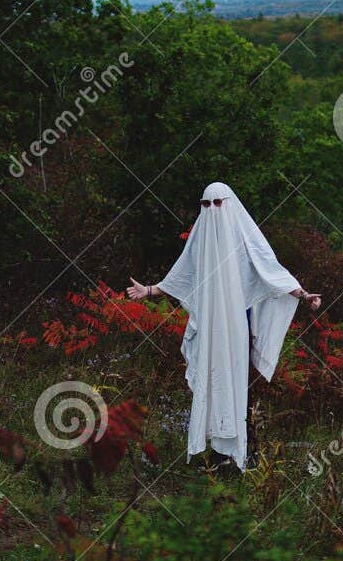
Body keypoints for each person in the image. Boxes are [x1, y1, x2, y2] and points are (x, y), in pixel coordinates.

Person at [127, 182, 321, 470]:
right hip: (209, 328)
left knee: (239, 386)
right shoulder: (200, 241)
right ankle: (217, 452)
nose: (212, 210)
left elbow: (271, 272)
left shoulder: (245, 237)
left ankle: (243, 450)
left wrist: (303, 295)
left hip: (236, 329)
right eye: (206, 205)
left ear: (229, 204)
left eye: (218, 203)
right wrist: (150, 291)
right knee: (212, 380)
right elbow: (183, 274)